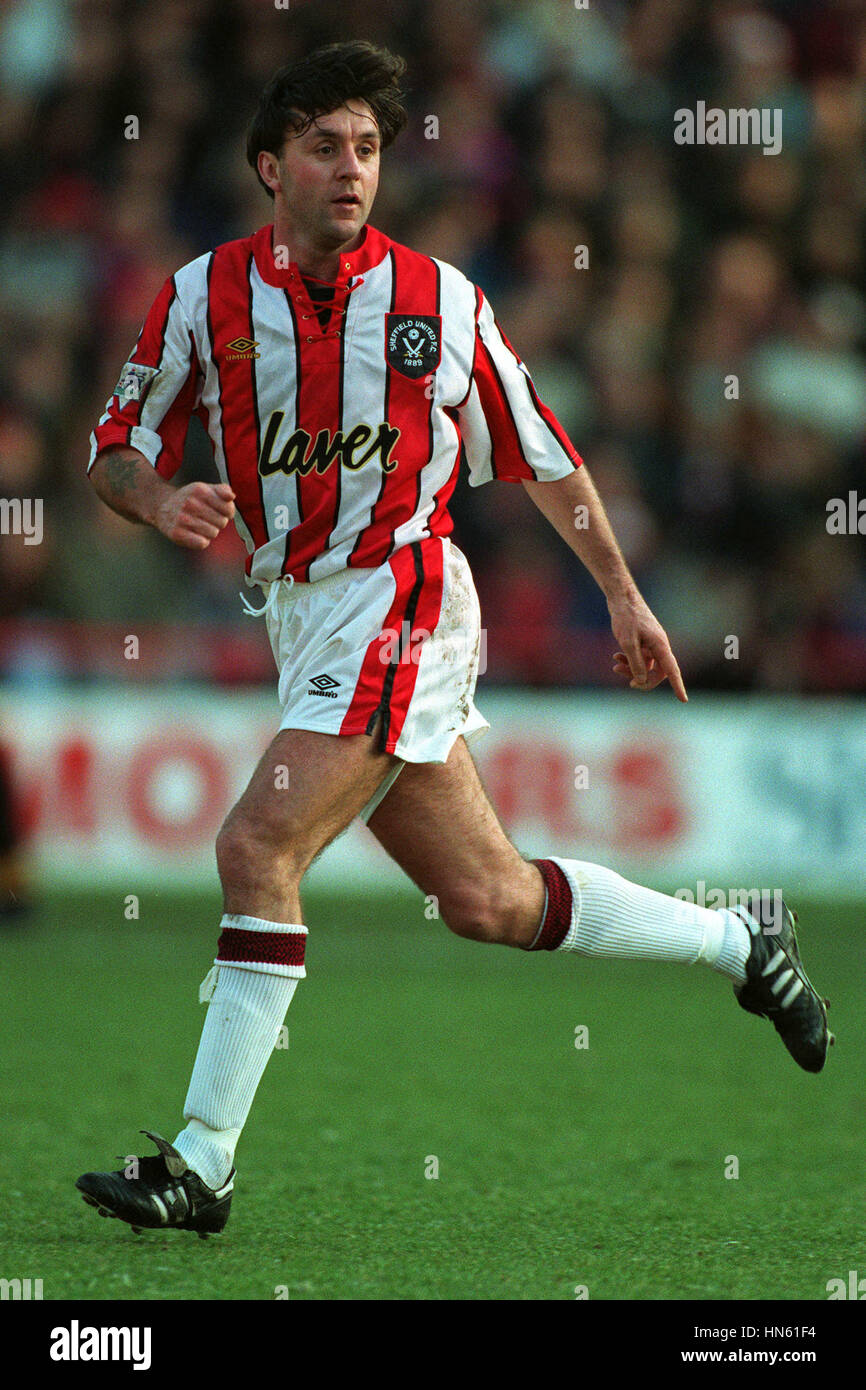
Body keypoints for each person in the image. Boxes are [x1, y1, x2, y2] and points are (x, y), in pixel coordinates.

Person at [76, 41, 833, 1239]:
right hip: (302, 611)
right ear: (268, 166)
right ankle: (743, 941)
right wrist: (158, 497)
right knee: (489, 899)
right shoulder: (198, 298)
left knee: (255, 841)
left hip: (405, 595)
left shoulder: (438, 300)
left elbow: (542, 450)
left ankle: (202, 1162)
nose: (350, 170)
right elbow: (111, 446)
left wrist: (625, 596)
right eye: (324, 147)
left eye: (368, 150)